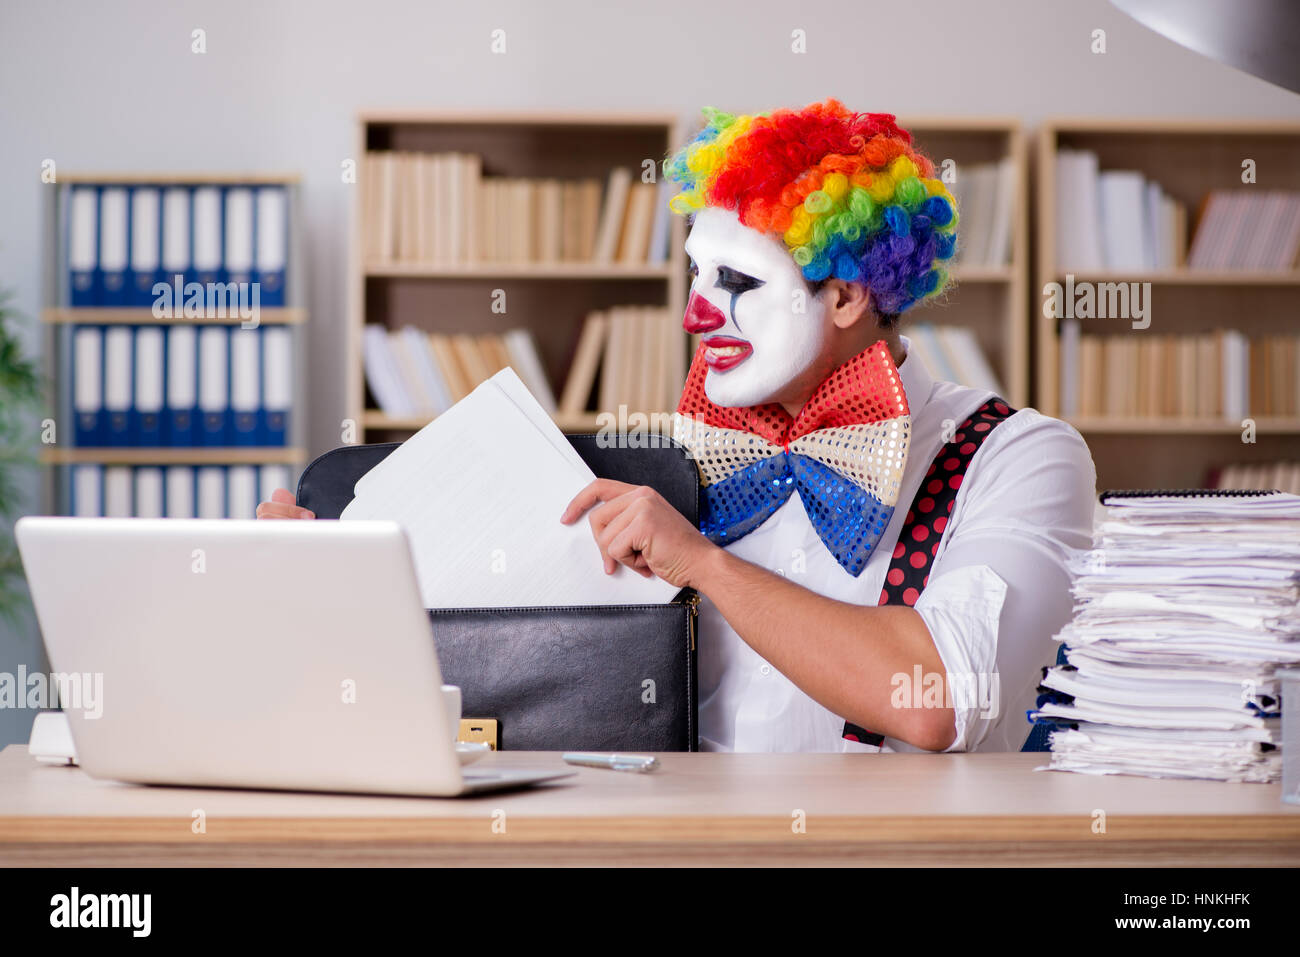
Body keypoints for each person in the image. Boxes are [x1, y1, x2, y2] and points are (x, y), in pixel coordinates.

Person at [260, 99, 1095, 754]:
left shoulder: (1017, 455)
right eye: (696, 272)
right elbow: (495, 671)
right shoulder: (674, 457)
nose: (697, 312)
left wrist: (704, 564)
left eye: (735, 279)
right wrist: (333, 573)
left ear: (845, 296)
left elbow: (942, 700)